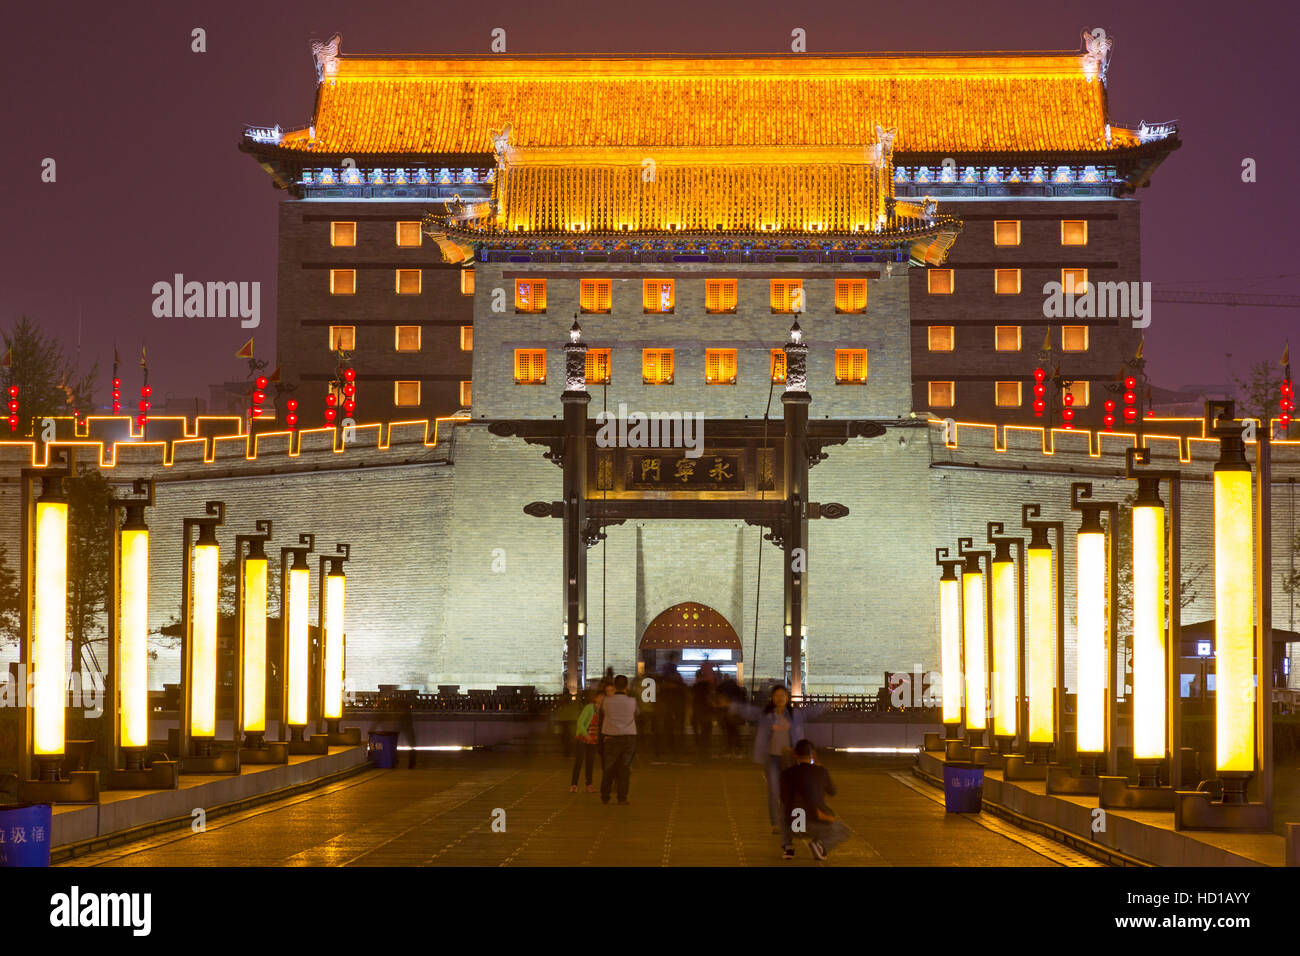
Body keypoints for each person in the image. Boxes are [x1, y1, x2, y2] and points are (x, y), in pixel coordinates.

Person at [729, 683, 833, 858]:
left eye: (783, 695)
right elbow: (748, 711)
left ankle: (794, 822)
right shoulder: (766, 716)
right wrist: (730, 705)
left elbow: (812, 711)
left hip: (792, 759)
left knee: (792, 794)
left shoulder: (795, 715)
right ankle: (776, 823)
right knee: (774, 791)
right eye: (777, 695)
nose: (780, 698)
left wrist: (831, 704)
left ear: (787, 698)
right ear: (772, 698)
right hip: (772, 758)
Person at [780, 739, 851, 860]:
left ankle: (788, 847)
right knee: (844, 830)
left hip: (793, 826)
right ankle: (820, 845)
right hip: (813, 824)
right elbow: (832, 791)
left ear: (795, 755)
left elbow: (783, 798)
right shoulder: (821, 771)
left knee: (784, 807)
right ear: (812, 755)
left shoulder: (786, 774)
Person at [599, 675, 639, 805]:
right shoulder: (632, 701)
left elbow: (603, 712)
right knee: (624, 768)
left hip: (610, 736)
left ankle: (605, 795)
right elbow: (637, 713)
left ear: (614, 686)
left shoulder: (606, 701)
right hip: (628, 737)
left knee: (609, 767)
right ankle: (622, 797)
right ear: (626, 686)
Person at [570, 687, 601, 792]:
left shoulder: (603, 710)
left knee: (590, 762)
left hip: (593, 739)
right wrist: (586, 734)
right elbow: (580, 722)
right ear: (596, 698)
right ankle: (574, 784)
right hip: (583, 738)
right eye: (601, 697)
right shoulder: (589, 708)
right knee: (579, 761)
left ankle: (589, 784)